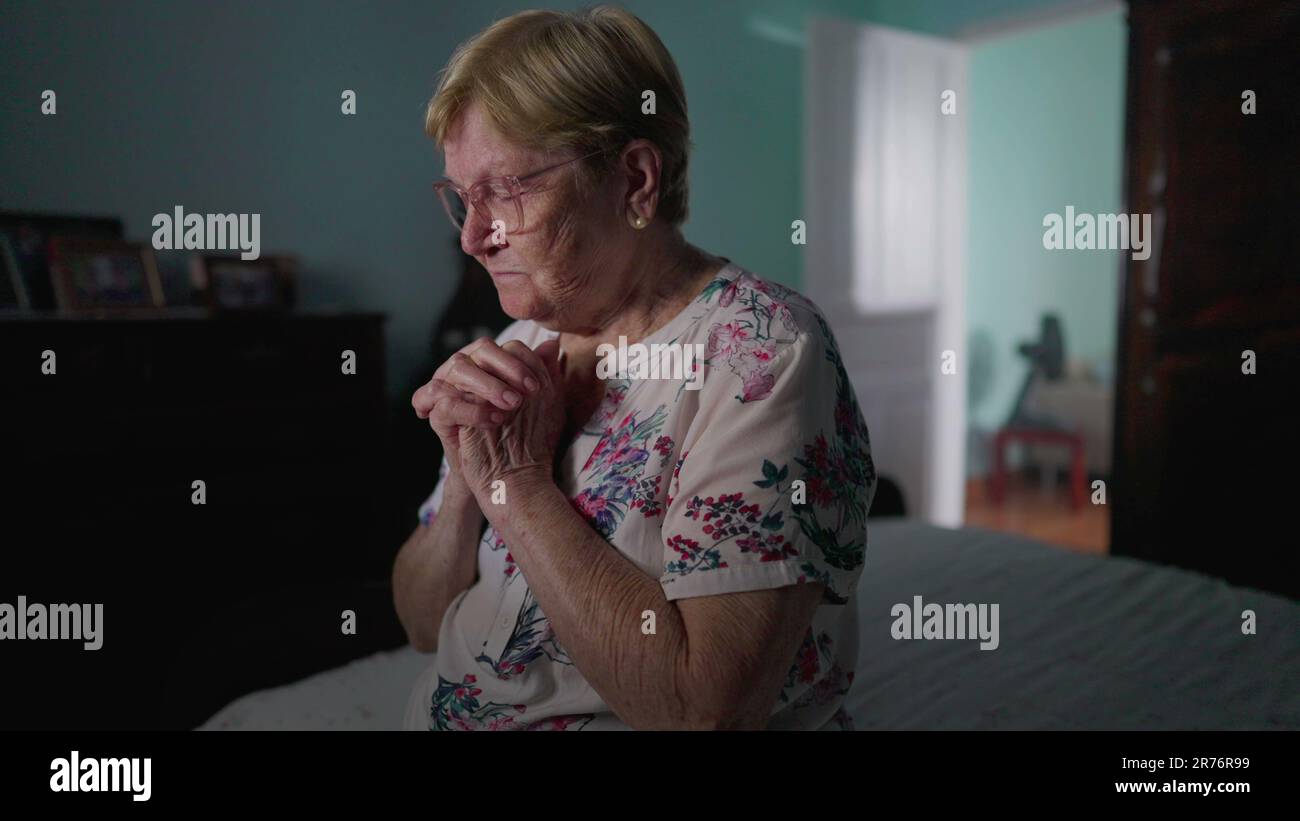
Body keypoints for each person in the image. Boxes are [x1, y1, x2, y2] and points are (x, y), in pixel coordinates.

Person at [394, 6, 875, 730]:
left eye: (506, 192)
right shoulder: (524, 338)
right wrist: (470, 477)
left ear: (635, 181)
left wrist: (520, 487)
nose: (470, 237)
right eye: (462, 198)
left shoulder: (762, 353)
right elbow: (421, 625)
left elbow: (701, 707)